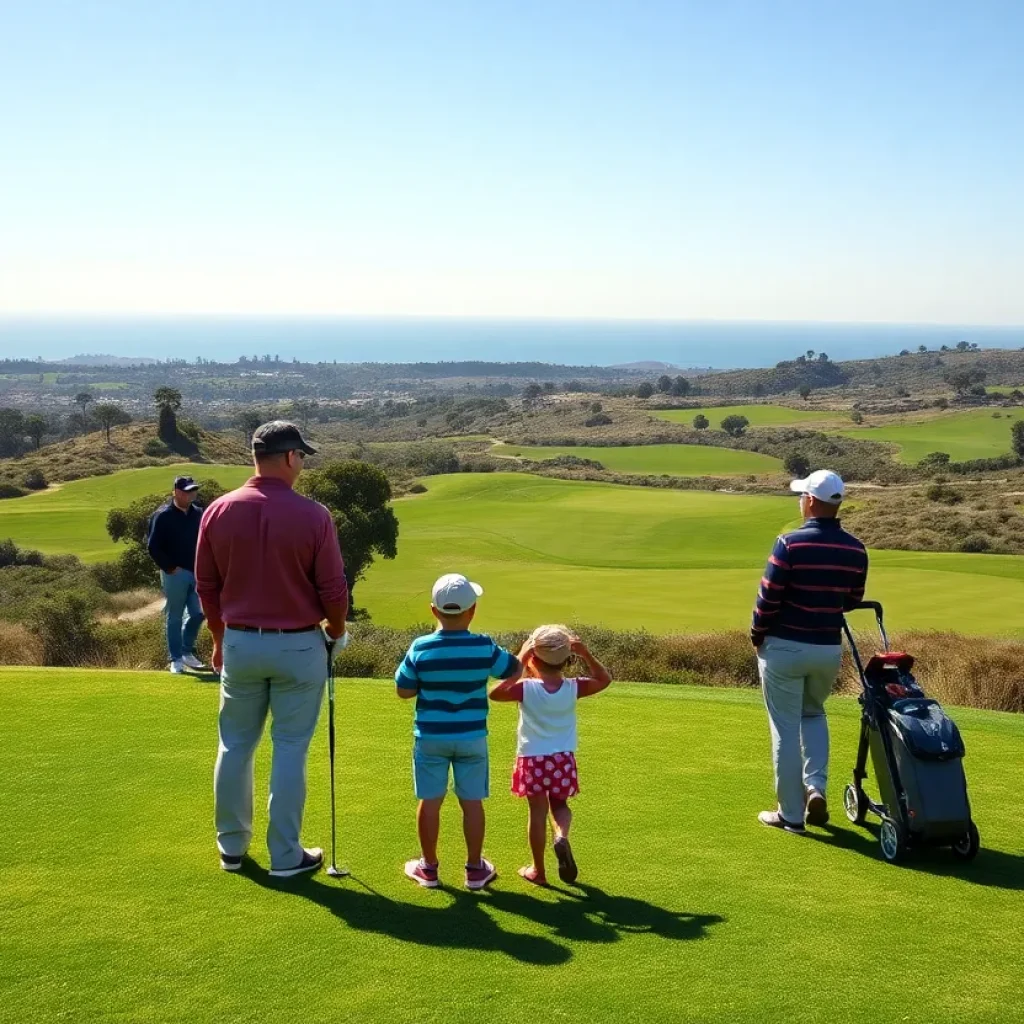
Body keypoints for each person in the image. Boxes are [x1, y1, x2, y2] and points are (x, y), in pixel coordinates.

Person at [195, 421, 349, 878]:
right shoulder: (314, 515)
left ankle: (232, 850)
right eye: (301, 456)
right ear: (288, 458)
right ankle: (285, 856)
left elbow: (207, 586)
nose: (302, 463)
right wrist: (336, 632)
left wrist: (221, 639)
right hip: (300, 646)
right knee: (289, 748)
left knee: (235, 745)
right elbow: (333, 589)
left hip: (241, 641)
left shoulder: (217, 511)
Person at [751, 469, 868, 834]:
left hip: (784, 646)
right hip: (826, 649)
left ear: (812, 502)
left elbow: (768, 596)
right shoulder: (856, 548)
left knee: (784, 728)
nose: (800, 500)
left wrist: (757, 633)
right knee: (814, 715)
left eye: (802, 496)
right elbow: (852, 600)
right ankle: (815, 787)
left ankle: (790, 814)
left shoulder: (789, 543)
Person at [395, 573, 522, 891]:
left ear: (433, 610)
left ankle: (429, 869)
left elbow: (404, 690)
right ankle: (475, 869)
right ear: (472, 610)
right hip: (472, 737)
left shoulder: (420, 647)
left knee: (430, 801)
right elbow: (514, 668)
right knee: (472, 803)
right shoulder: (483, 646)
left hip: (431, 737)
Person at [490, 624, 611, 886]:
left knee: (537, 813)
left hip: (532, 758)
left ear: (533, 657)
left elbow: (494, 693)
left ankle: (538, 871)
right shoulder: (573, 687)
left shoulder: (526, 688)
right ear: (568, 658)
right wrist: (586, 654)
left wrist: (519, 659)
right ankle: (562, 836)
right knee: (560, 805)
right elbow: (604, 680)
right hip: (562, 759)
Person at [147, 475, 206, 674]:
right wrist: (169, 567)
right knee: (175, 616)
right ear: (176, 492)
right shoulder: (162, 515)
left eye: (193, 490)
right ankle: (176, 658)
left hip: (197, 572)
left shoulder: (198, 513)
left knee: (198, 613)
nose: (191, 494)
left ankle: (186, 651)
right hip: (175, 574)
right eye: (187, 491)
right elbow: (153, 546)